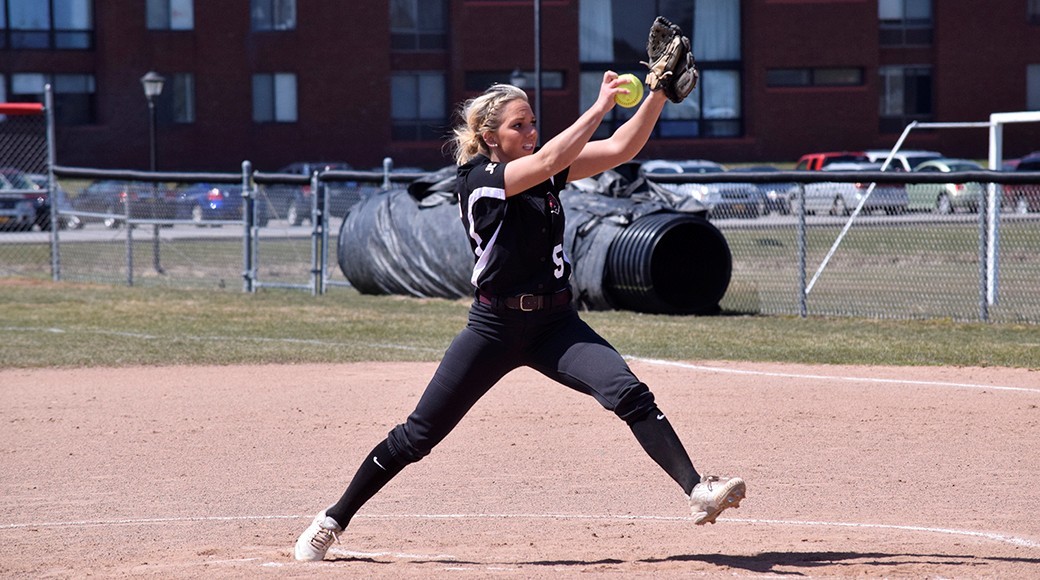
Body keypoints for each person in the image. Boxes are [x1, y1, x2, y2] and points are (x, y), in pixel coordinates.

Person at [294, 69, 746, 562]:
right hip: (495, 328)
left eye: (533, 123)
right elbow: (554, 155)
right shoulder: (478, 180)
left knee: (628, 392)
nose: (531, 133)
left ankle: (697, 490)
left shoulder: (542, 169)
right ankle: (332, 519)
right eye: (519, 126)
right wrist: (599, 105)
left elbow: (620, 149)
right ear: (490, 137)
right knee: (418, 435)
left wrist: (657, 92)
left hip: (555, 326)